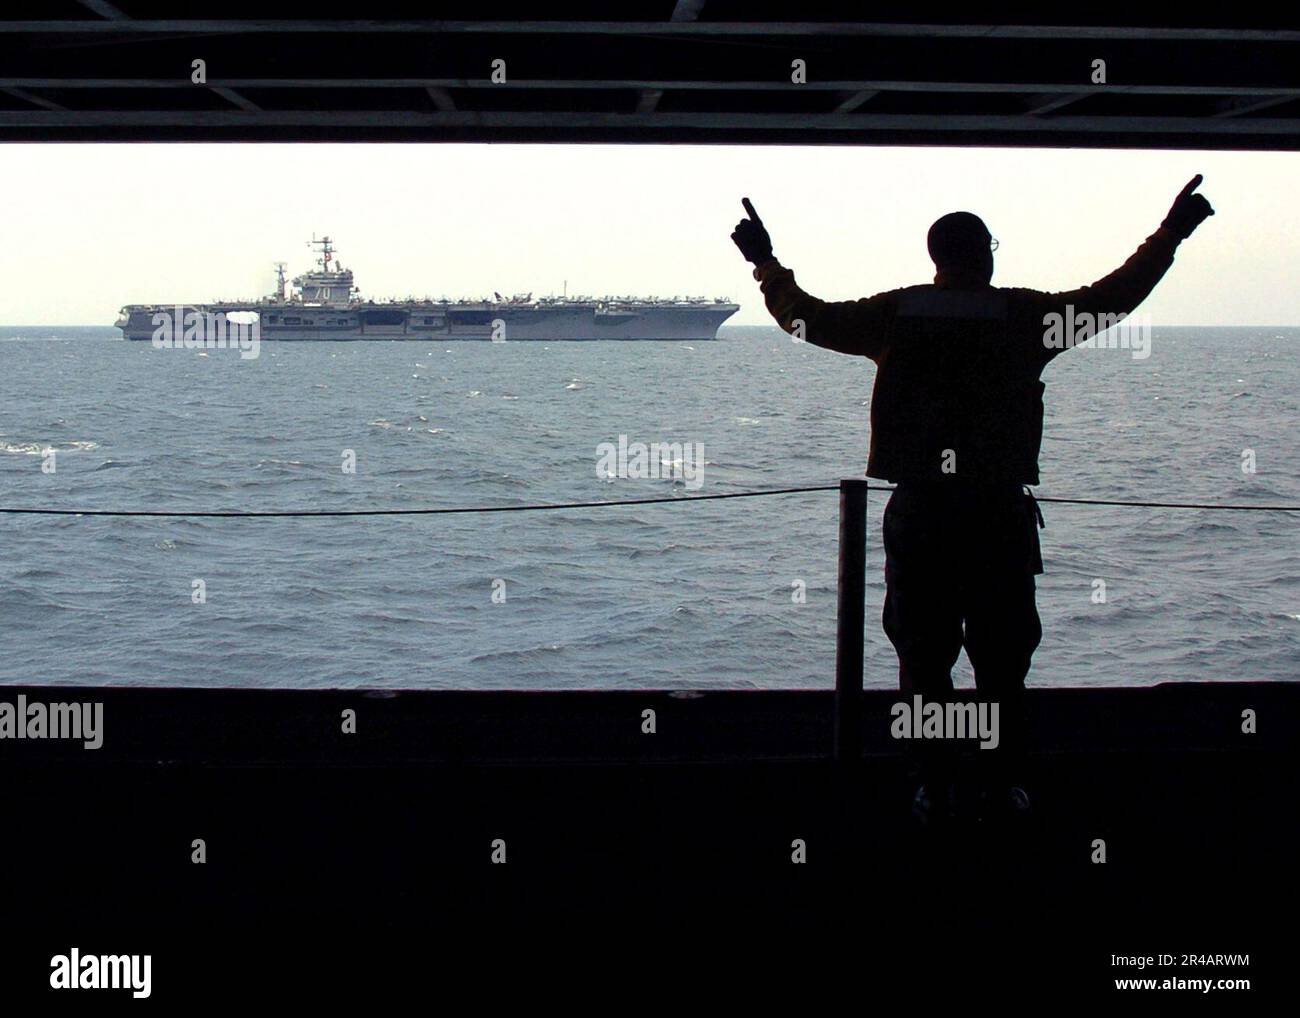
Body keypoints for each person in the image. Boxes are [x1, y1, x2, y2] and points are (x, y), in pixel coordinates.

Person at [731, 180, 1214, 824]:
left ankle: (932, 785)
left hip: (922, 515)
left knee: (924, 661)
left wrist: (765, 261)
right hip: (997, 518)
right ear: (986, 253)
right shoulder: (1024, 318)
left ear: (935, 257)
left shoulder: (896, 314)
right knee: (1003, 661)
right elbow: (1114, 297)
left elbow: (805, 318)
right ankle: (1005, 786)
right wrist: (1172, 231)